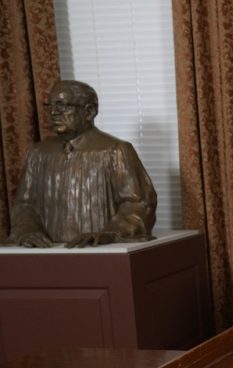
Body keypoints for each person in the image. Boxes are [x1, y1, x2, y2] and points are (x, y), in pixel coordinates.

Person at [6, 80, 157, 248]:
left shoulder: (116, 150)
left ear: (89, 111)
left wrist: (108, 234)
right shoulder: (38, 153)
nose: (54, 112)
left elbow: (138, 204)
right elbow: (24, 205)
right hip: (47, 254)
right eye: (51, 105)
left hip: (98, 252)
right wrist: (28, 231)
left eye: (63, 105)